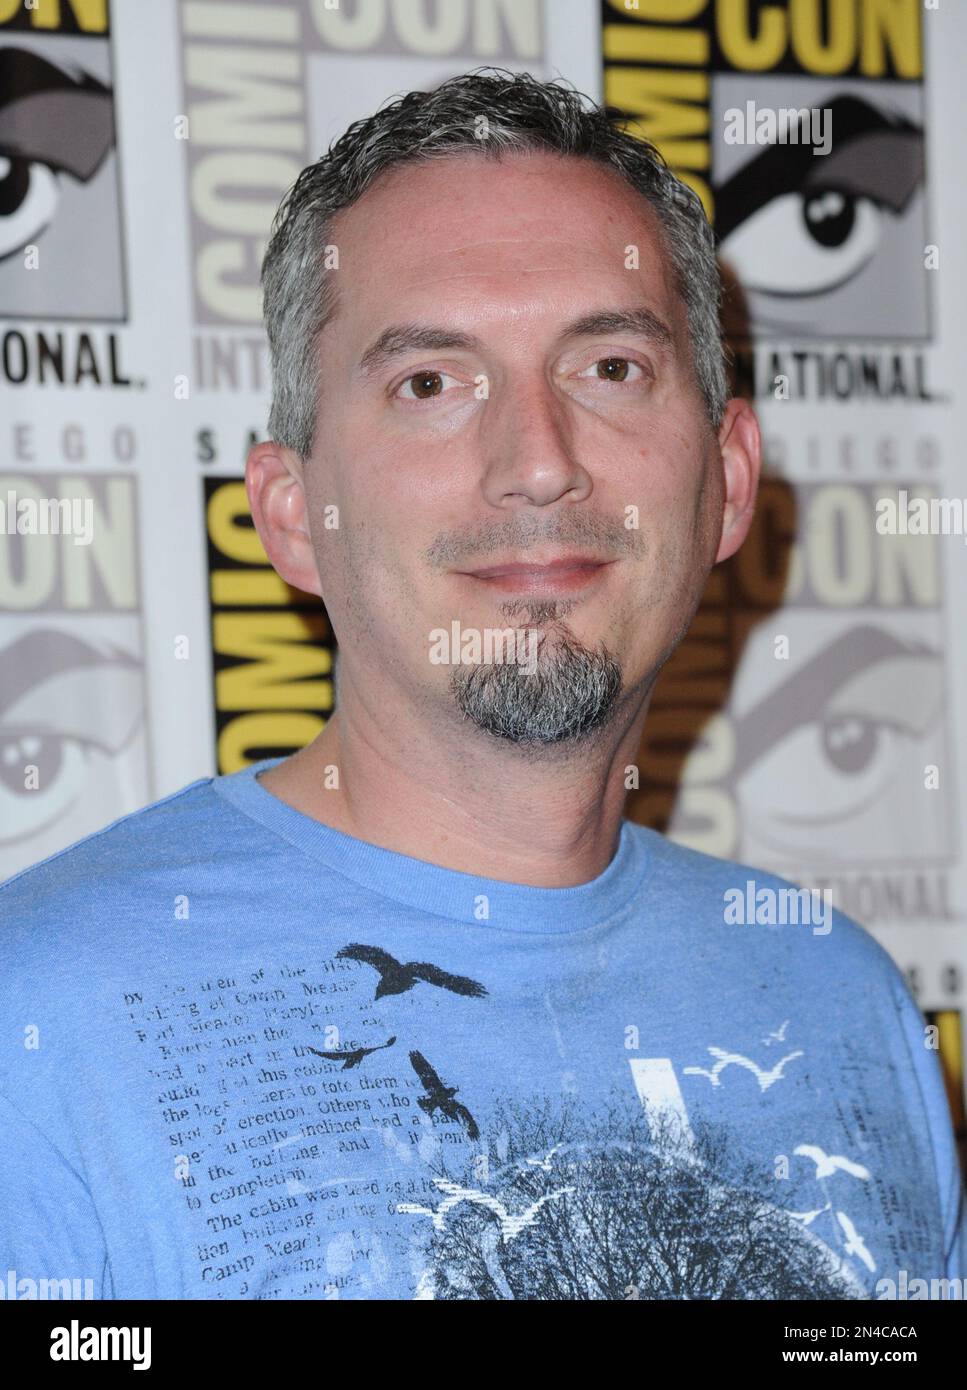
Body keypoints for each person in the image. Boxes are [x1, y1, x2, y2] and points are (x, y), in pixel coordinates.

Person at [1, 70, 962, 1302]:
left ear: (725, 478)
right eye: (429, 383)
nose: (538, 465)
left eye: (609, 367)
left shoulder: (844, 1002)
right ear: (292, 516)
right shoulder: (45, 1019)